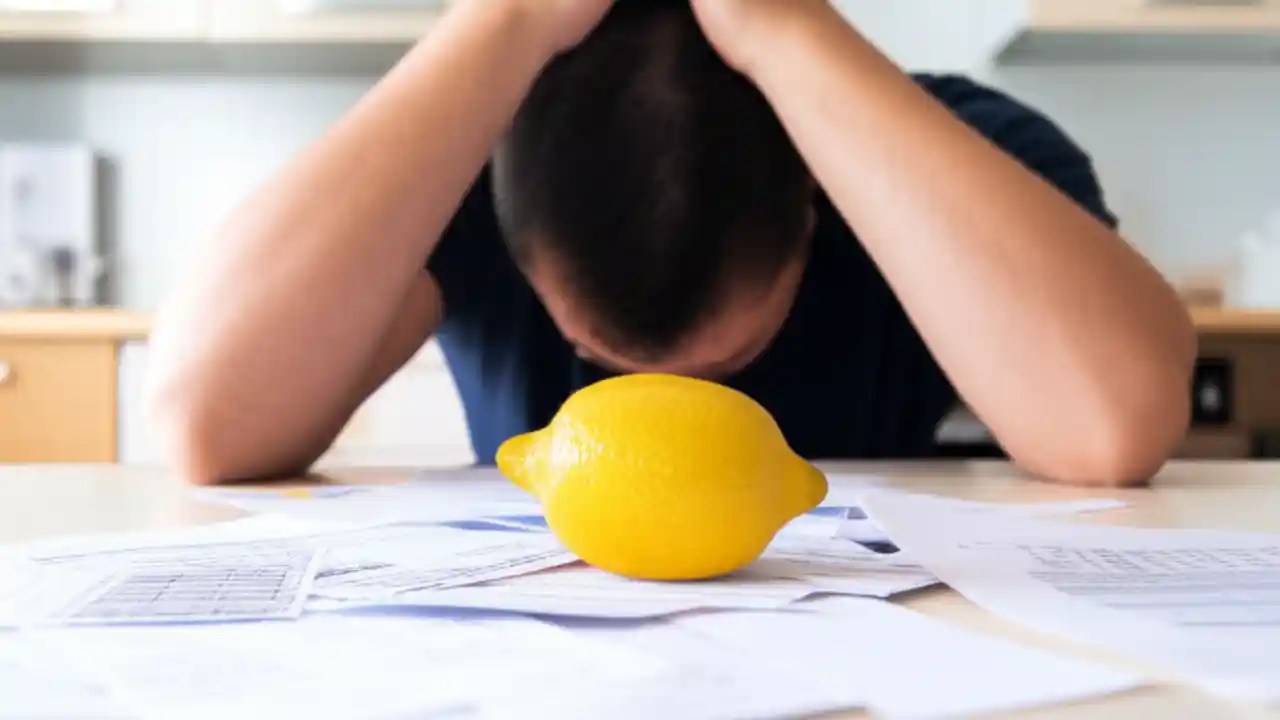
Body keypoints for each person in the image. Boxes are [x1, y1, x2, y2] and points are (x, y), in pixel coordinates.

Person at [146, 0, 1196, 488]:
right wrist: (502, 20)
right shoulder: (457, 180)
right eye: (598, 354)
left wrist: (784, 25)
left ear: (821, 207)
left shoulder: (954, 165)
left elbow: (1109, 433)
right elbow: (208, 424)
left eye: (732, 364)